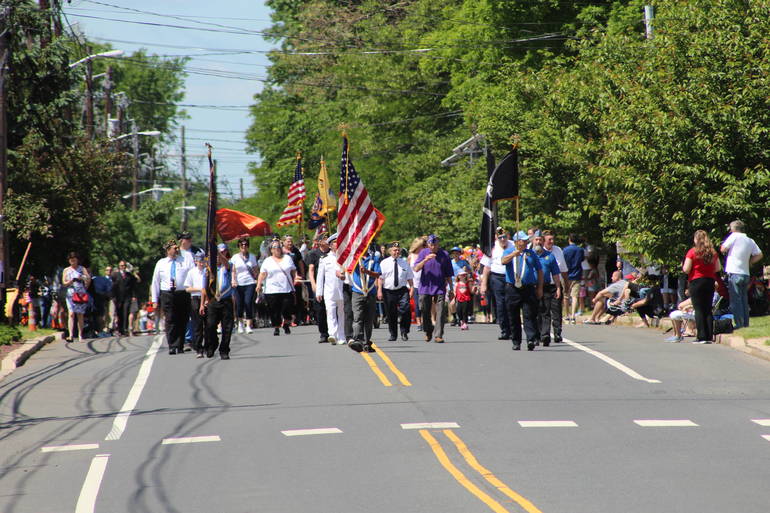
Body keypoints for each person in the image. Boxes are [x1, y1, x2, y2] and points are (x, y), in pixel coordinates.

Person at [501, 231, 543, 351]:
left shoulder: (531, 253)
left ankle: (530, 339)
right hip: (512, 288)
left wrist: (539, 287)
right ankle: (516, 341)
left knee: (529, 314)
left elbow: (539, 270)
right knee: (513, 316)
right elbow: (503, 261)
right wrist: (514, 254)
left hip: (528, 288)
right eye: (522, 240)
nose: (525, 242)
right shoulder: (509, 251)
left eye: (526, 240)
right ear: (516, 242)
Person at [150, 240, 192, 355]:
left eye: (177, 248)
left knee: (182, 319)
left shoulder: (185, 261)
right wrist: (155, 299)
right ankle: (172, 345)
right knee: (170, 319)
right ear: (168, 250)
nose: (177, 250)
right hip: (167, 294)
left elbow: (192, 276)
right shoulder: (161, 263)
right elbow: (155, 282)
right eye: (174, 248)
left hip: (182, 293)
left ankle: (181, 344)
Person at [720, 220, 763, 329]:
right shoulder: (750, 240)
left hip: (734, 272)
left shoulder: (734, 236)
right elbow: (759, 254)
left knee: (736, 301)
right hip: (745, 273)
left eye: (730, 228)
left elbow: (723, 248)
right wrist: (750, 262)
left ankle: (739, 324)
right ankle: (745, 324)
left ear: (734, 229)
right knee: (744, 300)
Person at [683, 230, 722, 343]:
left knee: (699, 309)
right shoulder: (713, 252)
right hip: (709, 281)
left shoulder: (692, 252)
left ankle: (701, 336)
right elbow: (718, 268)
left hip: (696, 281)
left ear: (696, 239)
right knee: (707, 308)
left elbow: (686, 269)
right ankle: (709, 336)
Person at [414, 234, 454, 343]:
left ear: (438, 244)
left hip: (440, 287)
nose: (432, 247)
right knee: (424, 310)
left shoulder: (444, 255)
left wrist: (451, 289)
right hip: (425, 287)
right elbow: (416, 268)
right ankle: (428, 331)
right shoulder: (423, 253)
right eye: (430, 245)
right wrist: (425, 260)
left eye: (435, 245)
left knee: (440, 311)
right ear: (427, 245)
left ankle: (438, 335)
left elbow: (449, 274)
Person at [256, 240, 297, 336]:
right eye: (275, 247)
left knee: (287, 309)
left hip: (286, 289)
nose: (277, 249)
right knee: (274, 310)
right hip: (271, 290)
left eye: (279, 247)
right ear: (271, 250)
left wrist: (295, 279)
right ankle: (276, 327)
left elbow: (294, 270)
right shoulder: (267, 261)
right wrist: (259, 284)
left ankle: (286, 324)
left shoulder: (287, 258)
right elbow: (262, 274)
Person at [480, 228, 514, 340]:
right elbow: (487, 267)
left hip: (511, 277)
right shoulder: (492, 247)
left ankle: (513, 329)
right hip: (497, 277)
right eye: (500, 237)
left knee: (511, 303)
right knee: (500, 304)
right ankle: (504, 330)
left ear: (508, 236)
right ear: (496, 237)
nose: (503, 239)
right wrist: (483, 284)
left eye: (504, 237)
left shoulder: (514, 245)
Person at [203, 244, 235, 359]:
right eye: (215, 256)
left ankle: (224, 350)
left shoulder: (228, 266)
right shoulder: (209, 269)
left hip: (226, 301)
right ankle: (212, 344)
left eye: (221, 254)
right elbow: (204, 287)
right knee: (210, 325)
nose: (217, 258)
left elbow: (226, 263)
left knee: (227, 327)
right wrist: (204, 302)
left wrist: (217, 253)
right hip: (213, 301)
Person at [378, 241, 414, 341]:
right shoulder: (384, 263)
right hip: (388, 291)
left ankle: (404, 331)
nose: (397, 252)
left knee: (406, 309)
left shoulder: (404, 262)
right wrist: (379, 291)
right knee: (391, 313)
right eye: (394, 250)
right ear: (390, 251)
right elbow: (380, 278)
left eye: (398, 250)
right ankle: (393, 334)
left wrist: (411, 289)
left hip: (402, 290)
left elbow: (410, 277)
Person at [348, 246, 381, 353]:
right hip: (357, 292)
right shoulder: (353, 258)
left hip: (370, 292)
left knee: (369, 319)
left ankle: (367, 343)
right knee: (357, 317)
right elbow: (346, 268)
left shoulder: (374, 258)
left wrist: (367, 271)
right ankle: (357, 340)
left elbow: (377, 274)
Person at [532, 235, 563, 346]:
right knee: (534, 313)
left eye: (540, 240)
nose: (538, 242)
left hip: (546, 287)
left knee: (545, 311)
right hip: (531, 287)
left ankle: (545, 335)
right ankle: (536, 335)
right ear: (533, 241)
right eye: (536, 240)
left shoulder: (550, 256)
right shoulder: (528, 255)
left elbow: (555, 274)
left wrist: (558, 288)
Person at [315, 233, 346, 345]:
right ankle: (332, 334)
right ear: (330, 245)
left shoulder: (345, 258)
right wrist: (319, 291)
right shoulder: (324, 259)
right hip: (329, 291)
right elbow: (320, 277)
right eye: (334, 243)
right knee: (331, 312)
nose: (336, 245)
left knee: (341, 313)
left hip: (342, 290)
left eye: (338, 242)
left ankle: (341, 335)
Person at [230, 237, 259, 334]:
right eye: (242, 245)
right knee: (239, 304)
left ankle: (248, 325)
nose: (244, 246)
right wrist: (233, 280)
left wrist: (257, 280)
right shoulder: (235, 257)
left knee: (248, 302)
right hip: (238, 284)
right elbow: (233, 271)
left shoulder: (252, 257)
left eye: (246, 245)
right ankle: (240, 324)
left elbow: (256, 270)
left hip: (250, 282)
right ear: (239, 246)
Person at [62, 252, 91, 343]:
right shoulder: (66, 270)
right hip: (70, 293)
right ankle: (71, 335)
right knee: (71, 314)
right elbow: (64, 282)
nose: (73, 262)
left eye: (74, 260)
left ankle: (80, 335)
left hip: (80, 294)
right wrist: (70, 281)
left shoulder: (82, 269)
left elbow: (88, 278)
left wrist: (83, 281)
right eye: (71, 260)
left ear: (77, 260)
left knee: (80, 314)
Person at [306, 234, 331, 343]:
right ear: (320, 242)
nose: (327, 241)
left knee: (332, 309)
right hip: (319, 285)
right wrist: (313, 284)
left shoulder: (332, 253)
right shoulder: (313, 254)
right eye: (325, 239)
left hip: (331, 285)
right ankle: (323, 333)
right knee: (320, 310)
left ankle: (333, 332)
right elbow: (311, 270)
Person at [184, 251, 207, 357]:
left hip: (207, 299)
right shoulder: (192, 272)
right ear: (196, 261)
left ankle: (208, 346)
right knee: (197, 324)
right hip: (195, 298)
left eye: (203, 261)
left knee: (208, 324)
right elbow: (187, 288)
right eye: (199, 261)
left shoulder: (207, 271)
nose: (201, 263)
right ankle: (199, 348)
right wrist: (200, 289)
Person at [282, 235, 307, 325]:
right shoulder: (280, 251)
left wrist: (303, 274)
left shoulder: (295, 250)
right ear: (283, 242)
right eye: (288, 241)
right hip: (284, 278)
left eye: (291, 241)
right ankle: (285, 318)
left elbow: (300, 262)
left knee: (296, 298)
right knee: (285, 298)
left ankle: (295, 318)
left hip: (296, 277)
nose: (290, 243)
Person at [562, 233, 585, 324]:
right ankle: (573, 316)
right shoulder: (580, 250)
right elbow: (582, 260)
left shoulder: (565, 250)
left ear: (569, 239)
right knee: (575, 296)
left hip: (567, 275)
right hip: (577, 274)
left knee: (566, 295)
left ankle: (566, 315)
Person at [111, 260, 137, 336]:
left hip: (127, 297)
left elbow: (133, 286)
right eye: (121, 266)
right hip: (118, 297)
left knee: (126, 312)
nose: (123, 267)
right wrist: (113, 296)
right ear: (119, 266)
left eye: (124, 266)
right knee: (119, 313)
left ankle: (125, 328)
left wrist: (134, 296)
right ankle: (120, 329)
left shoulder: (129, 275)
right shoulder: (115, 275)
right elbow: (113, 286)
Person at [408, 237, 427, 332]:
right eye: (421, 246)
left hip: (425, 283)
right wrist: (409, 284)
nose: (423, 247)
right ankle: (419, 322)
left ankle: (424, 321)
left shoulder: (425, 255)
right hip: (415, 283)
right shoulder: (411, 256)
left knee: (424, 303)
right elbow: (407, 270)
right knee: (416, 304)